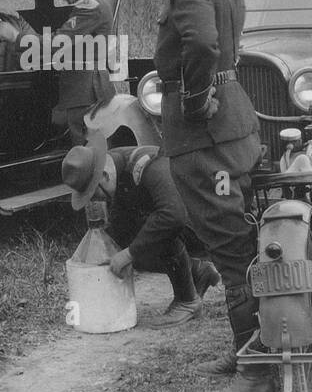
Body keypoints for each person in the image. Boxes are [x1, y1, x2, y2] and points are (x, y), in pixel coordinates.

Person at [154, 0, 267, 392]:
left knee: (232, 253)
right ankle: (250, 347)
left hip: (205, 136)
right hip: (235, 128)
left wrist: (196, 99)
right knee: (240, 246)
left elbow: (201, 47)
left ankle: (256, 370)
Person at [63, 140, 222, 327]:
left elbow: (173, 216)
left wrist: (129, 254)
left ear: (104, 176)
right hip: (186, 217)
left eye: (94, 194)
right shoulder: (115, 164)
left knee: (154, 229)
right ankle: (197, 271)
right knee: (124, 240)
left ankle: (187, 300)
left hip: (208, 223)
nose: (96, 201)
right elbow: (121, 226)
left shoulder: (150, 165)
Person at [40, 0, 115, 145]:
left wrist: (16, 38)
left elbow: (58, 42)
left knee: (87, 157)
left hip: (86, 93)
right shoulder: (91, 2)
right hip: (84, 92)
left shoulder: (91, 5)